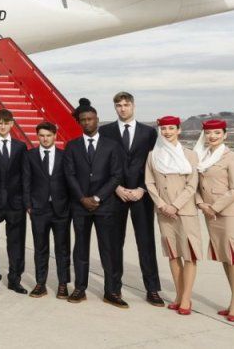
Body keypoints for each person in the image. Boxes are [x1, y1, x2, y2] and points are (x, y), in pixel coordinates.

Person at [99, 92, 164, 307]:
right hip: (115, 195)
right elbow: (102, 165)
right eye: (118, 105)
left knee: (145, 243)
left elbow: (155, 165)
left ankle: (152, 289)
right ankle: (113, 289)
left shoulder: (148, 133)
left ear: (133, 106)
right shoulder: (105, 131)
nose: (122, 109)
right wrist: (115, 187)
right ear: (115, 108)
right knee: (113, 244)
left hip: (141, 195)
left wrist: (143, 189)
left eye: (126, 105)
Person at [64, 99, 127, 308]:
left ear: (97, 120)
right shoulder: (72, 146)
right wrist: (82, 198)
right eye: (83, 120)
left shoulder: (112, 146)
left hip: (105, 206)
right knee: (80, 249)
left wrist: (98, 197)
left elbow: (116, 175)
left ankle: (112, 291)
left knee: (108, 250)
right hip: (80, 206)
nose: (87, 123)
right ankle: (80, 288)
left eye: (90, 119)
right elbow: (69, 175)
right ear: (79, 123)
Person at [195, 119, 234, 322]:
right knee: (225, 258)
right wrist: (201, 205)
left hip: (228, 214)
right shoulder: (201, 157)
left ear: (225, 135)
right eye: (209, 133)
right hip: (210, 215)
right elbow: (196, 186)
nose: (212, 136)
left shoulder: (232, 157)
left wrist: (214, 207)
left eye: (217, 133)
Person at [144, 115, 200, 315]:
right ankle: (178, 294)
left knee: (189, 255)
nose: (167, 132)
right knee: (173, 254)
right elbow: (149, 182)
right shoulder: (153, 155)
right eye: (164, 129)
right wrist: (161, 204)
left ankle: (186, 298)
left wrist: (175, 205)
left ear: (179, 130)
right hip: (163, 212)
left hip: (184, 211)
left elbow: (192, 185)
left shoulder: (190, 155)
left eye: (171, 128)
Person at [22, 122, 71, 299]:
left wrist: (69, 206)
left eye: (48, 135)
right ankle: (40, 283)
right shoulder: (30, 156)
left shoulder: (64, 156)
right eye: (42, 135)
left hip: (61, 209)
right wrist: (29, 205)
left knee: (62, 249)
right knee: (40, 248)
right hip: (38, 209)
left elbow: (69, 182)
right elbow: (26, 181)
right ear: (37, 136)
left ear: (55, 136)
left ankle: (63, 284)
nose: (45, 139)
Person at [0, 110, 29, 294]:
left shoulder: (20, 147)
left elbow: (25, 176)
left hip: (15, 204)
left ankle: (15, 279)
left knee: (16, 243)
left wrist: (25, 201)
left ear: (12, 124)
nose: (3, 126)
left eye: (6, 122)